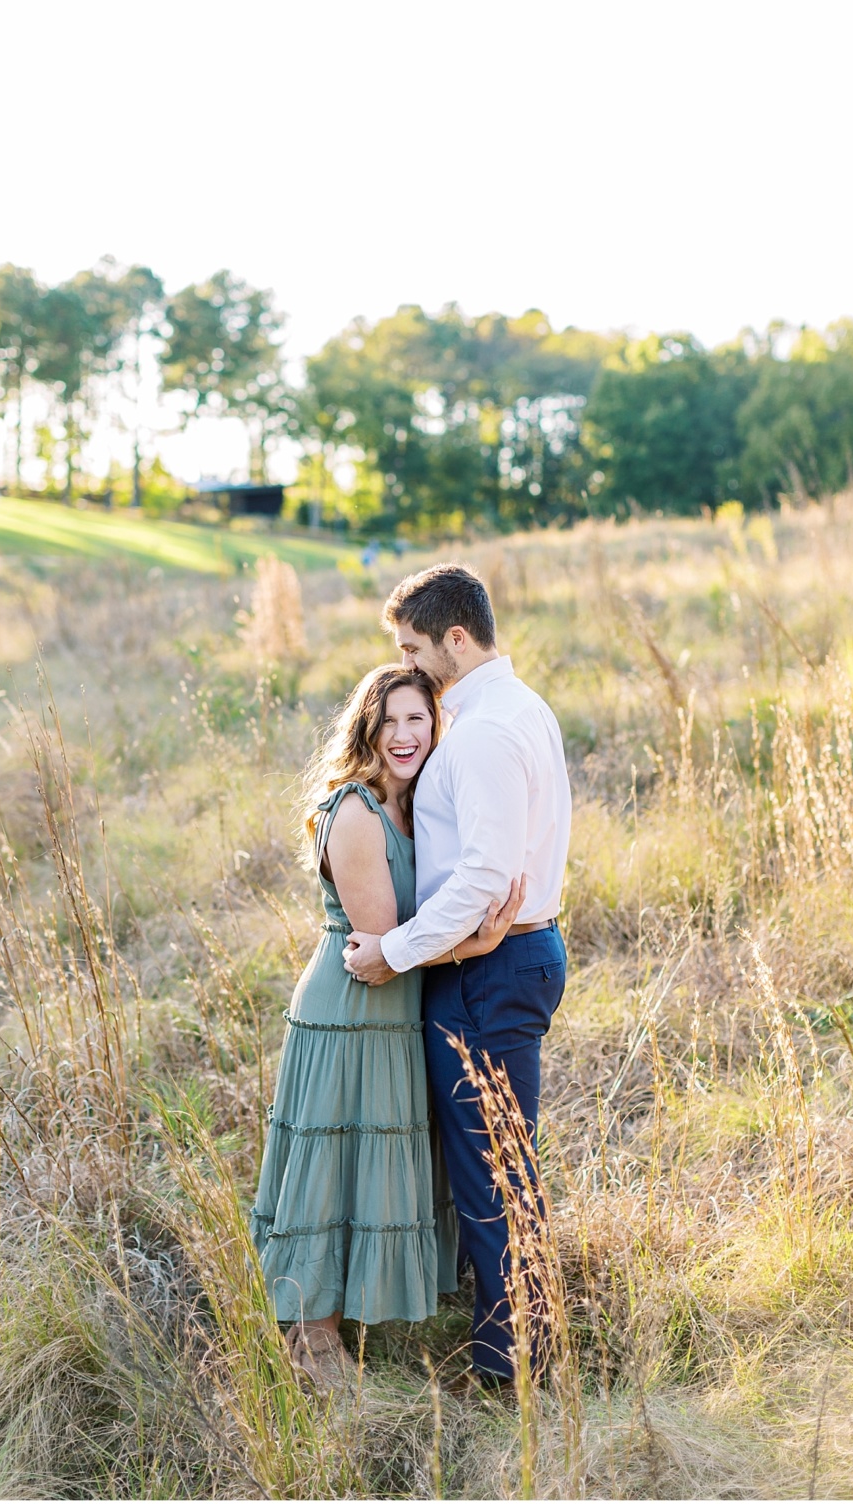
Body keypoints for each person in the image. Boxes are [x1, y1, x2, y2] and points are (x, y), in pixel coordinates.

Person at [250, 664, 525, 1394]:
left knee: (370, 1162)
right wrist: (482, 942)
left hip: (395, 1013)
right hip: (352, 1010)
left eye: (419, 720)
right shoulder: (356, 812)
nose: (406, 736)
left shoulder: (414, 811)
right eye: (391, 721)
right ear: (367, 729)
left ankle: (345, 1318)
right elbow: (382, 943)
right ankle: (310, 1337)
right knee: (334, 1169)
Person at [344, 564, 571, 1388]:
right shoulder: (523, 708)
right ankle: (525, 1346)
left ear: (456, 639)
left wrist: (393, 951)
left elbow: (481, 875)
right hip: (510, 954)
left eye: (413, 646)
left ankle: (512, 1368)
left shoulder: (478, 733)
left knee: (493, 1172)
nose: (407, 660)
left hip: (489, 967)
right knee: (504, 1161)